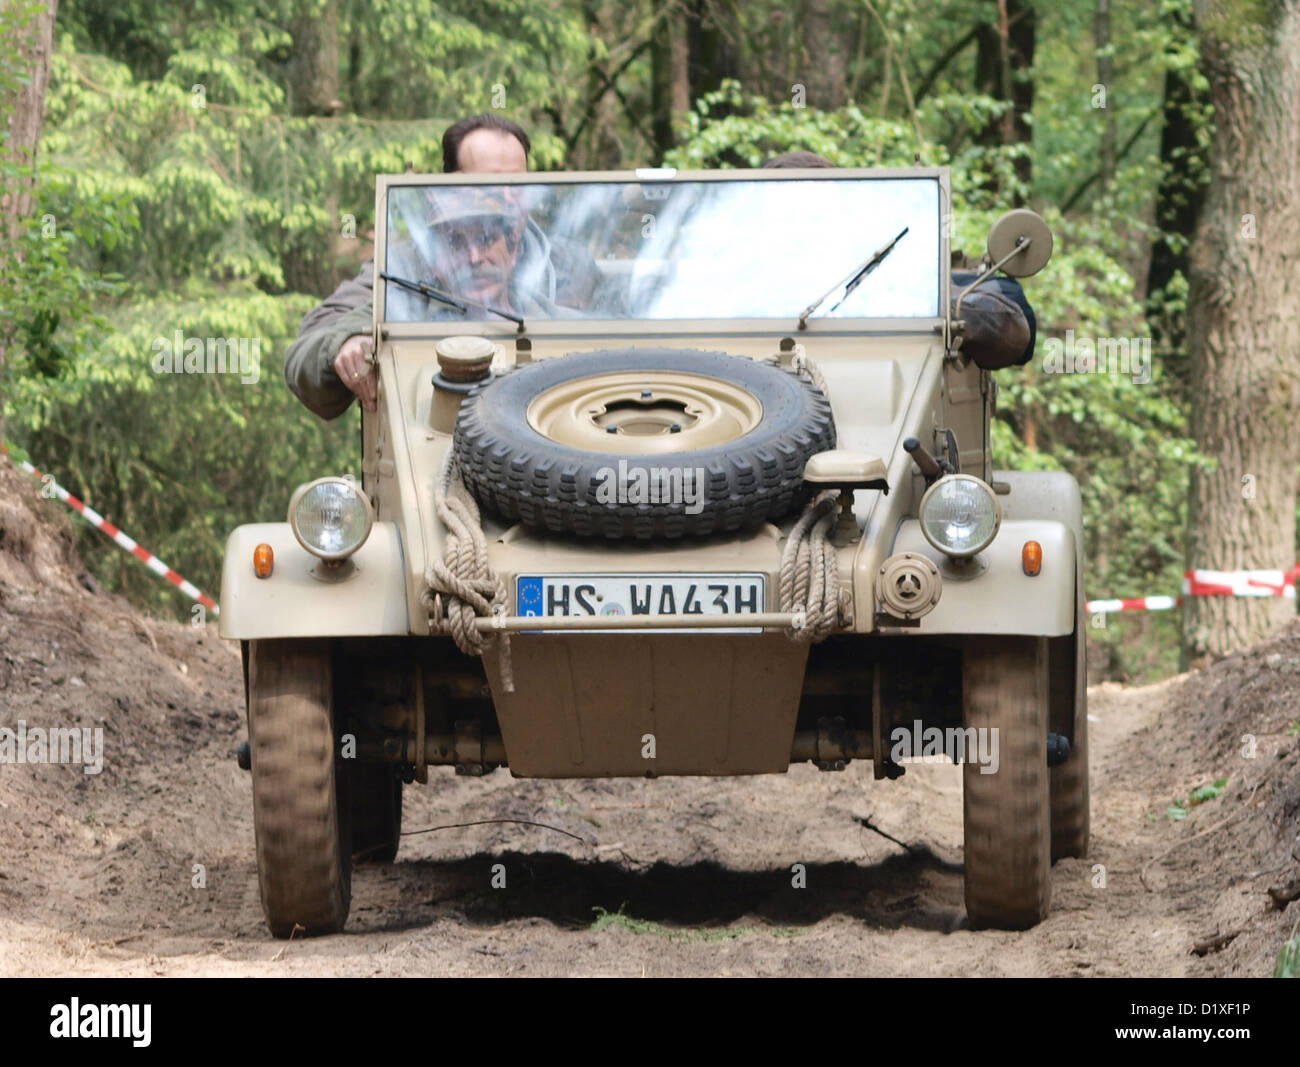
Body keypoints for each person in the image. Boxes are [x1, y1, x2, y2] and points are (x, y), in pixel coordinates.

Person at [286, 115, 532, 419]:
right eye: (491, 186)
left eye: (519, 184)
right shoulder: (407, 266)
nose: (509, 198)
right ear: (451, 187)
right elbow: (311, 346)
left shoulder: (569, 263)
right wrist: (348, 340)